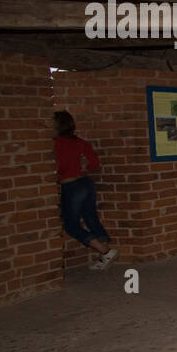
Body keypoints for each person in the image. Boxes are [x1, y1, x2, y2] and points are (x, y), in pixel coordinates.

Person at [53, 110, 119, 271]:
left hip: (71, 186)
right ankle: (104, 250)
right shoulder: (80, 142)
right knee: (90, 217)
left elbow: (58, 167)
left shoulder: (55, 143)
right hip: (86, 183)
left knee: (70, 224)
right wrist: (83, 167)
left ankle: (105, 251)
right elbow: (94, 162)